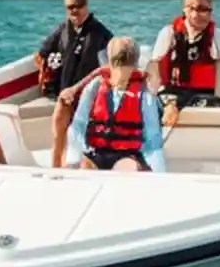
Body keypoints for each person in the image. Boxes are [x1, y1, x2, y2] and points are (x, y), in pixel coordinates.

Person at [31, 0, 113, 168]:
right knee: (58, 125)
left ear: (86, 6)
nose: (74, 11)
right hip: (66, 91)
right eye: (70, 7)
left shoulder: (100, 33)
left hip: (90, 93)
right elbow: (40, 54)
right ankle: (55, 167)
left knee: (85, 139)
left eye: (78, 6)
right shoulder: (62, 30)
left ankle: (86, 166)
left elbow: (108, 66)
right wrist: (44, 72)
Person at [64, 37, 166, 172]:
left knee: (127, 169)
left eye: (127, 63)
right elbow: (78, 126)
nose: (121, 70)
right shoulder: (94, 87)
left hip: (128, 154)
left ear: (134, 65)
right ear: (109, 62)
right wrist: (73, 160)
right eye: (117, 62)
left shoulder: (144, 94)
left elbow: (153, 139)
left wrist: (160, 173)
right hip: (97, 152)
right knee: (83, 167)